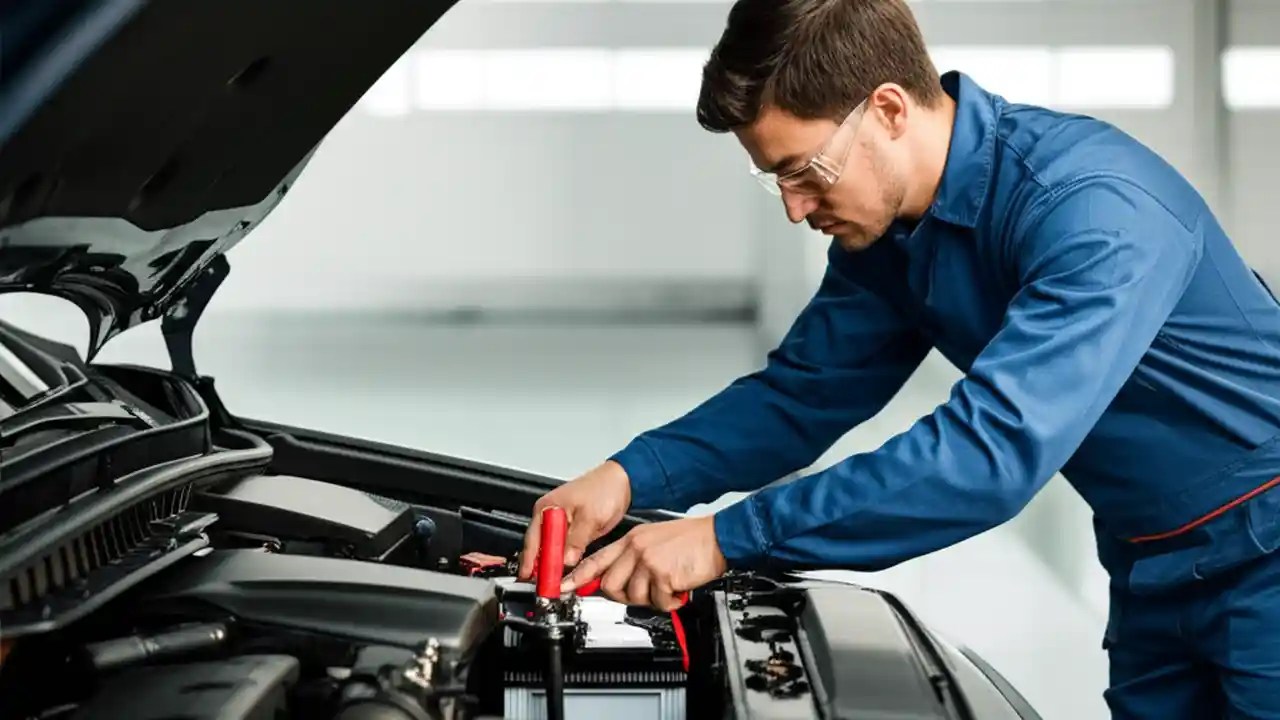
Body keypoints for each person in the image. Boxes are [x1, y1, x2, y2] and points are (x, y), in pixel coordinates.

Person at [517, 0, 1280, 716]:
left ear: (886, 109)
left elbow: (987, 456)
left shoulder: (1093, 209)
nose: (794, 206)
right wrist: (628, 476)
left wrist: (723, 539)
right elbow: (804, 395)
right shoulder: (891, 236)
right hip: (1149, 558)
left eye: (805, 171)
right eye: (773, 177)